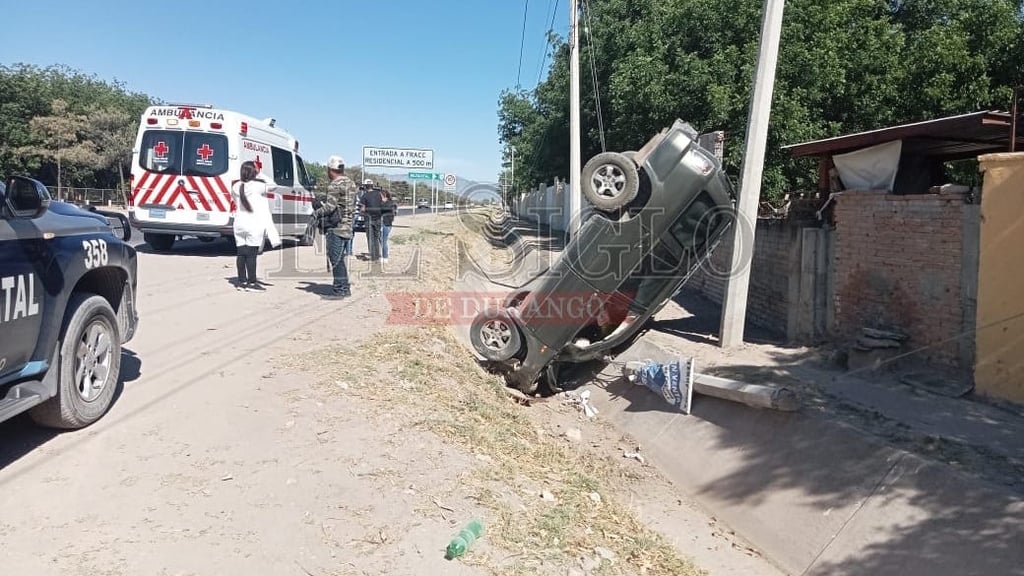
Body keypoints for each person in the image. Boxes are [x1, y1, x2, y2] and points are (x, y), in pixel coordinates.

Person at [312, 155, 357, 299]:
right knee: (340, 259)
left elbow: (330, 207)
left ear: (331, 169)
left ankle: (340, 290)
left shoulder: (334, 184)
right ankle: (345, 287)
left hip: (336, 227)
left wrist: (316, 213)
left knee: (336, 260)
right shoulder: (351, 183)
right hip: (348, 225)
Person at [230, 160, 271, 292]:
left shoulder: (236, 186)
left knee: (241, 253)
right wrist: (261, 174)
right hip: (253, 223)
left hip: (239, 223)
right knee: (251, 254)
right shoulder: (257, 186)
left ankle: (241, 281)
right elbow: (273, 185)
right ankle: (252, 283)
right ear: (253, 172)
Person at [359, 184, 385, 262]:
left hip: (368, 219)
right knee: (376, 238)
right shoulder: (379, 194)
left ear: (366, 187)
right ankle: (377, 256)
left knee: (370, 238)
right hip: (378, 219)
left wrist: (360, 213)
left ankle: (373, 256)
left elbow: (363, 208)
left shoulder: (364, 196)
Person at [380, 189, 397, 263]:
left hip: (386, 224)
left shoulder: (390, 203)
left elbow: (383, 208)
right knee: (381, 240)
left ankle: (385, 257)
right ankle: (385, 253)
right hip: (382, 223)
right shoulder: (384, 203)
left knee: (383, 240)